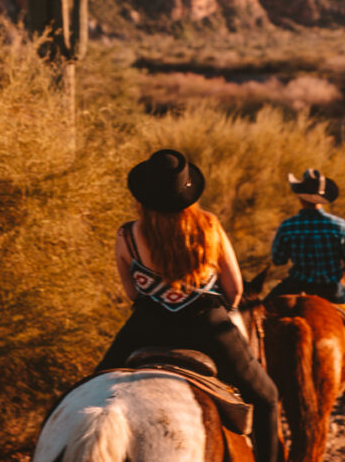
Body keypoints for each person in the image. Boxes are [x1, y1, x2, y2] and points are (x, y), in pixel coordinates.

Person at [95, 148, 280, 462]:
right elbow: (234, 290)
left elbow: (132, 293)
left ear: (143, 195)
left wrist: (159, 299)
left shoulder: (127, 235)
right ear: (188, 191)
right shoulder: (209, 226)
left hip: (146, 327)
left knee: (89, 390)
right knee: (267, 398)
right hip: (208, 327)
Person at [269, 168, 345, 394]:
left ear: (300, 196)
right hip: (331, 290)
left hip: (297, 285)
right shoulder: (339, 226)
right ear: (323, 198)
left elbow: (278, 260)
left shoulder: (288, 226)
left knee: (261, 317)